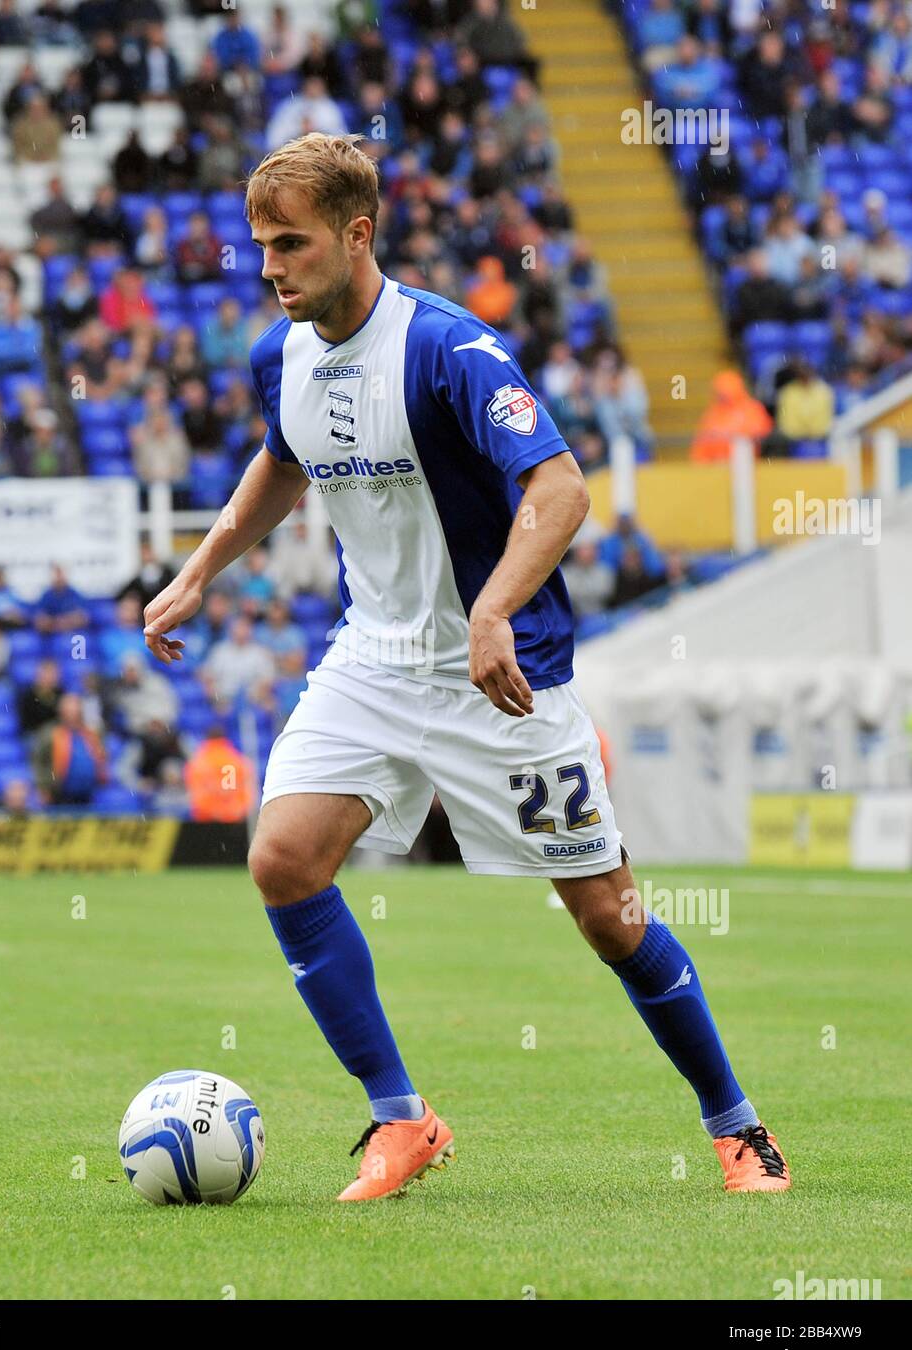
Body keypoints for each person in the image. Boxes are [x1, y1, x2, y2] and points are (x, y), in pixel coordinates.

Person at [141, 134, 790, 1202]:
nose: (268, 266)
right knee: (283, 859)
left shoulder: (449, 349)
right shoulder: (281, 354)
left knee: (608, 917)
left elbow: (563, 490)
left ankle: (736, 1127)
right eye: (260, 245)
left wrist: (491, 607)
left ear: (358, 234)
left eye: (290, 243)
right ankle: (402, 1119)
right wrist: (203, 569)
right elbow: (284, 453)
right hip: (372, 661)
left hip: (502, 673)